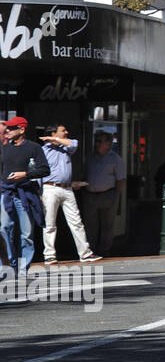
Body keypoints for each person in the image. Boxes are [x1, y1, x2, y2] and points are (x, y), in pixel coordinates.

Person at [39, 124, 98, 264]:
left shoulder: (66, 147)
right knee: (49, 223)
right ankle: (49, 255)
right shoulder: (43, 151)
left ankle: (85, 253)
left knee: (76, 221)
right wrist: (39, 191)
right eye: (63, 131)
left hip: (67, 188)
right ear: (54, 133)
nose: (66, 132)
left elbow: (72, 144)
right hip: (50, 187)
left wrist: (55, 139)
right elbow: (38, 171)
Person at [2, 116, 50, 276]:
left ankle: (23, 268)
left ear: (22, 130)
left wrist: (25, 174)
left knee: (27, 233)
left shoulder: (34, 148)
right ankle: (9, 263)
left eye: (11, 128)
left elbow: (44, 169)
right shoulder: (4, 148)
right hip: (6, 193)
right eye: (7, 128)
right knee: (4, 228)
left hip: (25, 194)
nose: (7, 131)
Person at [82, 131, 126, 259]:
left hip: (108, 194)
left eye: (102, 141)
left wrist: (116, 196)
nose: (99, 144)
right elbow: (85, 173)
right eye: (97, 141)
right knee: (90, 225)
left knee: (107, 225)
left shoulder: (115, 159)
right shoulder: (90, 157)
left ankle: (104, 251)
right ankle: (91, 251)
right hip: (90, 195)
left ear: (109, 143)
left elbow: (120, 179)